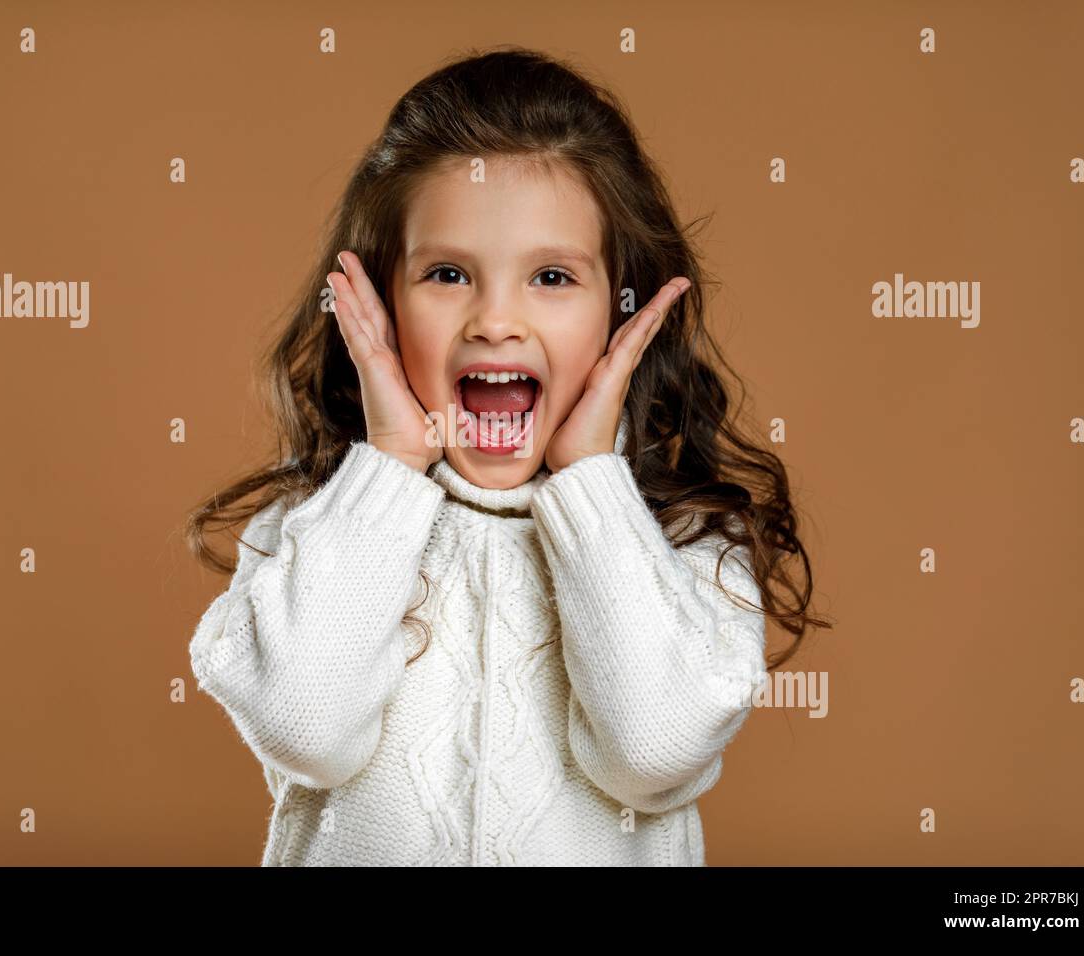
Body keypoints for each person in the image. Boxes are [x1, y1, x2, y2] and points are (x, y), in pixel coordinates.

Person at [185, 46, 827, 866]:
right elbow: (305, 727)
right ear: (379, 304)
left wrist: (593, 482)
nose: (496, 321)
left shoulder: (684, 544)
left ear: (622, 312)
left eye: (552, 277)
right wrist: (388, 464)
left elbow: (652, 750)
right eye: (448, 273)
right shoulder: (313, 530)